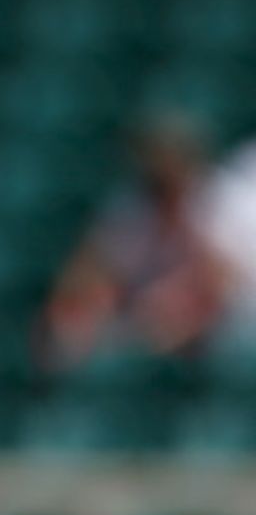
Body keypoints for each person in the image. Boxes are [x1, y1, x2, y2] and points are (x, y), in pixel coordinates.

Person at [37, 110, 233, 372]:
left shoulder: (225, 201)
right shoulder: (133, 205)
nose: (159, 171)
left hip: (230, 331)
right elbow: (89, 275)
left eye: (167, 160)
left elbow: (219, 286)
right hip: (152, 330)